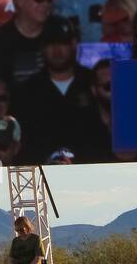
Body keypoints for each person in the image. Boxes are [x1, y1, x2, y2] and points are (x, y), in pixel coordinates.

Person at [11, 16, 97, 164]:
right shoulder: (27, 92)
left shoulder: (93, 83)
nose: (57, 51)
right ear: (42, 47)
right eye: (50, 44)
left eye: (62, 44)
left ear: (74, 44)